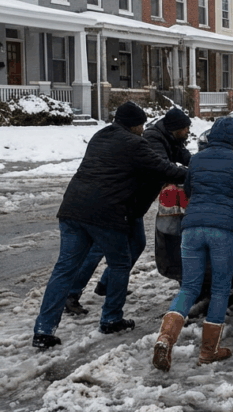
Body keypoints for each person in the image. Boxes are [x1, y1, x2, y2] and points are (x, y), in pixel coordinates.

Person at [32, 101, 188, 349]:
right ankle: (111, 319)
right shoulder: (135, 144)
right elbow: (163, 168)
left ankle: (43, 330)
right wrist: (199, 173)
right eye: (141, 124)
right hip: (107, 213)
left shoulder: (99, 136)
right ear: (134, 125)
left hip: (72, 209)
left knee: (64, 269)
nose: (143, 129)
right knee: (119, 263)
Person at [152, 116, 233, 371]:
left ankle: (165, 339)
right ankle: (208, 351)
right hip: (223, 230)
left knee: (190, 288)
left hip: (192, 228)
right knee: (219, 288)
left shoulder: (197, 159)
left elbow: (190, 191)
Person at [64, 107, 192, 315]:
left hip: (135, 204)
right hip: (124, 203)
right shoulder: (152, 139)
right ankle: (72, 293)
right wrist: (192, 175)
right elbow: (161, 168)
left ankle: (107, 285)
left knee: (136, 244)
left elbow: (184, 156)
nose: (187, 131)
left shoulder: (169, 138)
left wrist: (203, 165)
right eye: (185, 128)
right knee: (99, 249)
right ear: (176, 128)